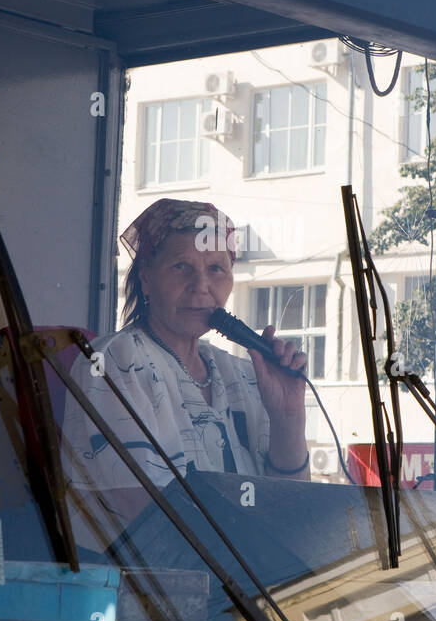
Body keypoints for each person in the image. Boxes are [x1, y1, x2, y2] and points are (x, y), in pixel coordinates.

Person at [63, 199, 310, 505]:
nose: (201, 286)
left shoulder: (246, 374)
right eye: (181, 266)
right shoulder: (116, 360)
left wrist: (288, 419)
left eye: (217, 268)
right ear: (145, 277)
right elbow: (149, 514)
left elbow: (290, 506)